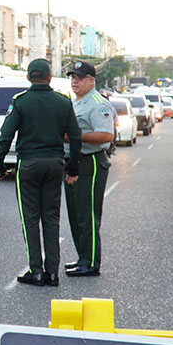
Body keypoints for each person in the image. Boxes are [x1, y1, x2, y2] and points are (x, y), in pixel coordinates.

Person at [0, 58, 82, 287]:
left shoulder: (20, 101)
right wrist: (73, 165)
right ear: (50, 77)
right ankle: (52, 272)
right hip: (54, 163)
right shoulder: (63, 102)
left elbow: (6, 134)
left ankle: (36, 270)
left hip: (29, 164)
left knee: (30, 219)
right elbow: (76, 136)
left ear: (28, 78)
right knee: (51, 218)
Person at [63, 60, 115, 277]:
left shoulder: (97, 103)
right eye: (72, 77)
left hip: (91, 161)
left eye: (79, 78)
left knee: (87, 213)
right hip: (74, 161)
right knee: (76, 214)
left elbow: (106, 136)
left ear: (91, 81)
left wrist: (75, 137)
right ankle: (83, 256)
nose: (74, 81)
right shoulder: (77, 102)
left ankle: (91, 261)